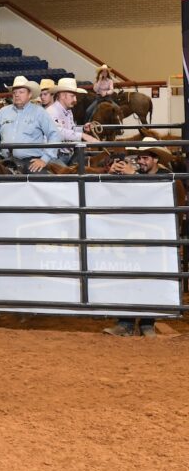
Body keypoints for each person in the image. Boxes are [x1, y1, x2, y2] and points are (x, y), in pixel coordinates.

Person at [103, 138, 171, 338]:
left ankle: (147, 322)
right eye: (139, 157)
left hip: (155, 237)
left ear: (155, 159)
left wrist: (133, 176)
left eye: (145, 158)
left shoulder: (166, 177)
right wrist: (111, 175)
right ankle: (126, 322)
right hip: (133, 235)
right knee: (128, 277)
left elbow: (157, 195)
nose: (140, 161)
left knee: (152, 278)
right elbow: (113, 195)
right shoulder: (136, 175)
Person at [0, 76, 62, 174]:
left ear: (29, 94)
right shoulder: (3, 112)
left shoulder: (39, 112)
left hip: (30, 161)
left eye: (21, 92)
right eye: (14, 92)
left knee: (41, 182)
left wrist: (44, 159)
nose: (17, 95)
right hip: (5, 161)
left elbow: (54, 134)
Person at [45, 78, 98, 165]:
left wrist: (83, 129)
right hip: (53, 156)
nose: (75, 100)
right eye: (72, 96)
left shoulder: (68, 111)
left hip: (66, 154)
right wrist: (83, 135)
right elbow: (58, 132)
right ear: (62, 96)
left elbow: (71, 128)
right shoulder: (51, 112)